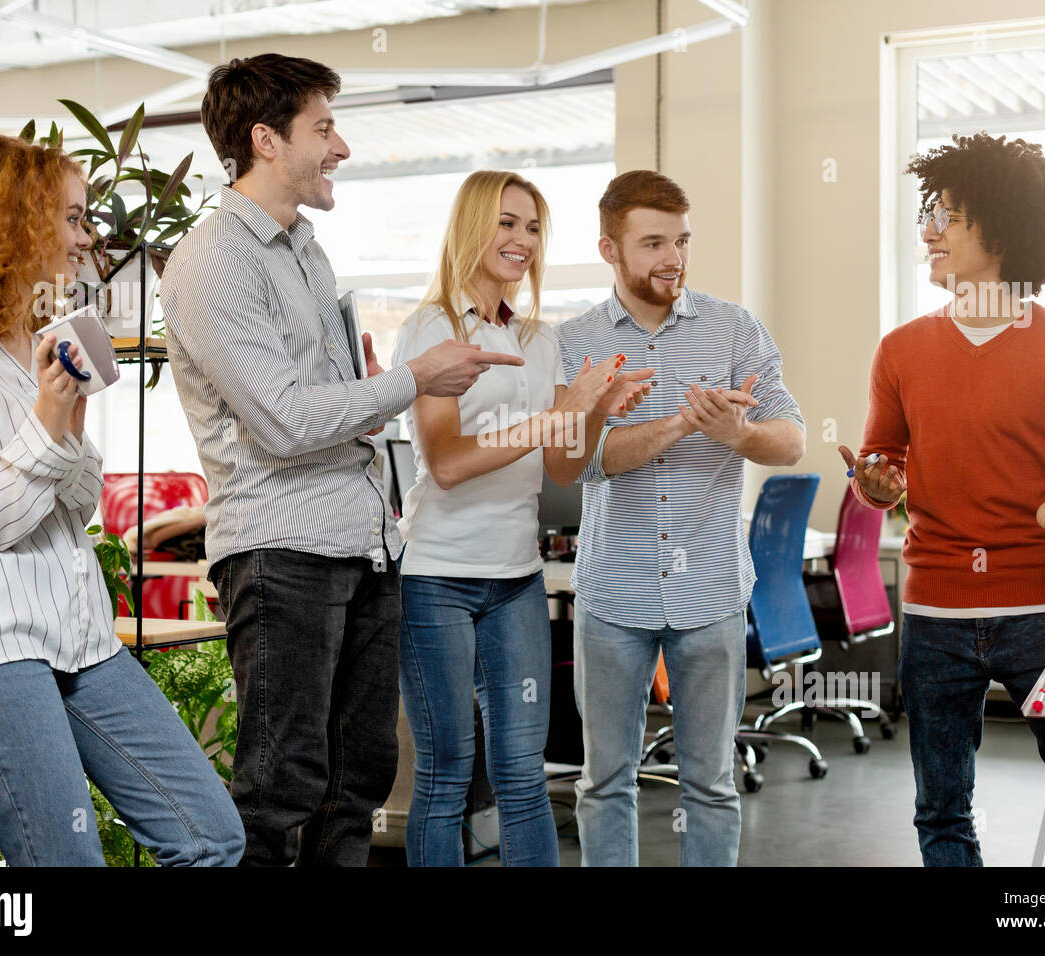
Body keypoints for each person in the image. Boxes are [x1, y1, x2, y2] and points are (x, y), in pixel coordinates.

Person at [161, 54, 523, 866]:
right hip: (282, 553)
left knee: (354, 782)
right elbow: (284, 422)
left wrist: (369, 389)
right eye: (324, 128)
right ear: (264, 140)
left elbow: (322, 405)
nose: (343, 147)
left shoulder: (306, 252)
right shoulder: (213, 260)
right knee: (278, 787)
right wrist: (411, 380)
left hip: (361, 547)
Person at [0, 134, 244, 866]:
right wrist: (52, 417)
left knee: (209, 834)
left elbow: (75, 502)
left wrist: (69, 416)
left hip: (75, 639)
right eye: (75, 217)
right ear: (14, 222)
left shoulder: (42, 344)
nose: (88, 238)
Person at [840, 132, 1045, 866]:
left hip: (1040, 614)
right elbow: (886, 467)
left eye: (948, 214)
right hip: (935, 613)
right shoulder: (900, 350)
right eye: (926, 214)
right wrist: (875, 486)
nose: (928, 230)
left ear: (1000, 228)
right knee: (940, 810)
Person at [390, 170, 652, 866]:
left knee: (522, 774)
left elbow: (564, 466)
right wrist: (554, 416)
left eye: (534, 228)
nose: (522, 240)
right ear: (473, 226)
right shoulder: (430, 331)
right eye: (507, 223)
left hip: (515, 580)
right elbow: (445, 461)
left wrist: (593, 409)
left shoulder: (541, 341)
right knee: (447, 775)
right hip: (436, 577)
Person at [556, 170, 806, 867]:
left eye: (683, 241)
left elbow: (791, 438)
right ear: (609, 249)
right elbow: (581, 463)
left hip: (713, 593)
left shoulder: (734, 328)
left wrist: (739, 437)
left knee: (712, 784)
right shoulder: (574, 343)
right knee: (605, 782)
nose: (674, 258)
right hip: (613, 595)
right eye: (654, 242)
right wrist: (684, 425)